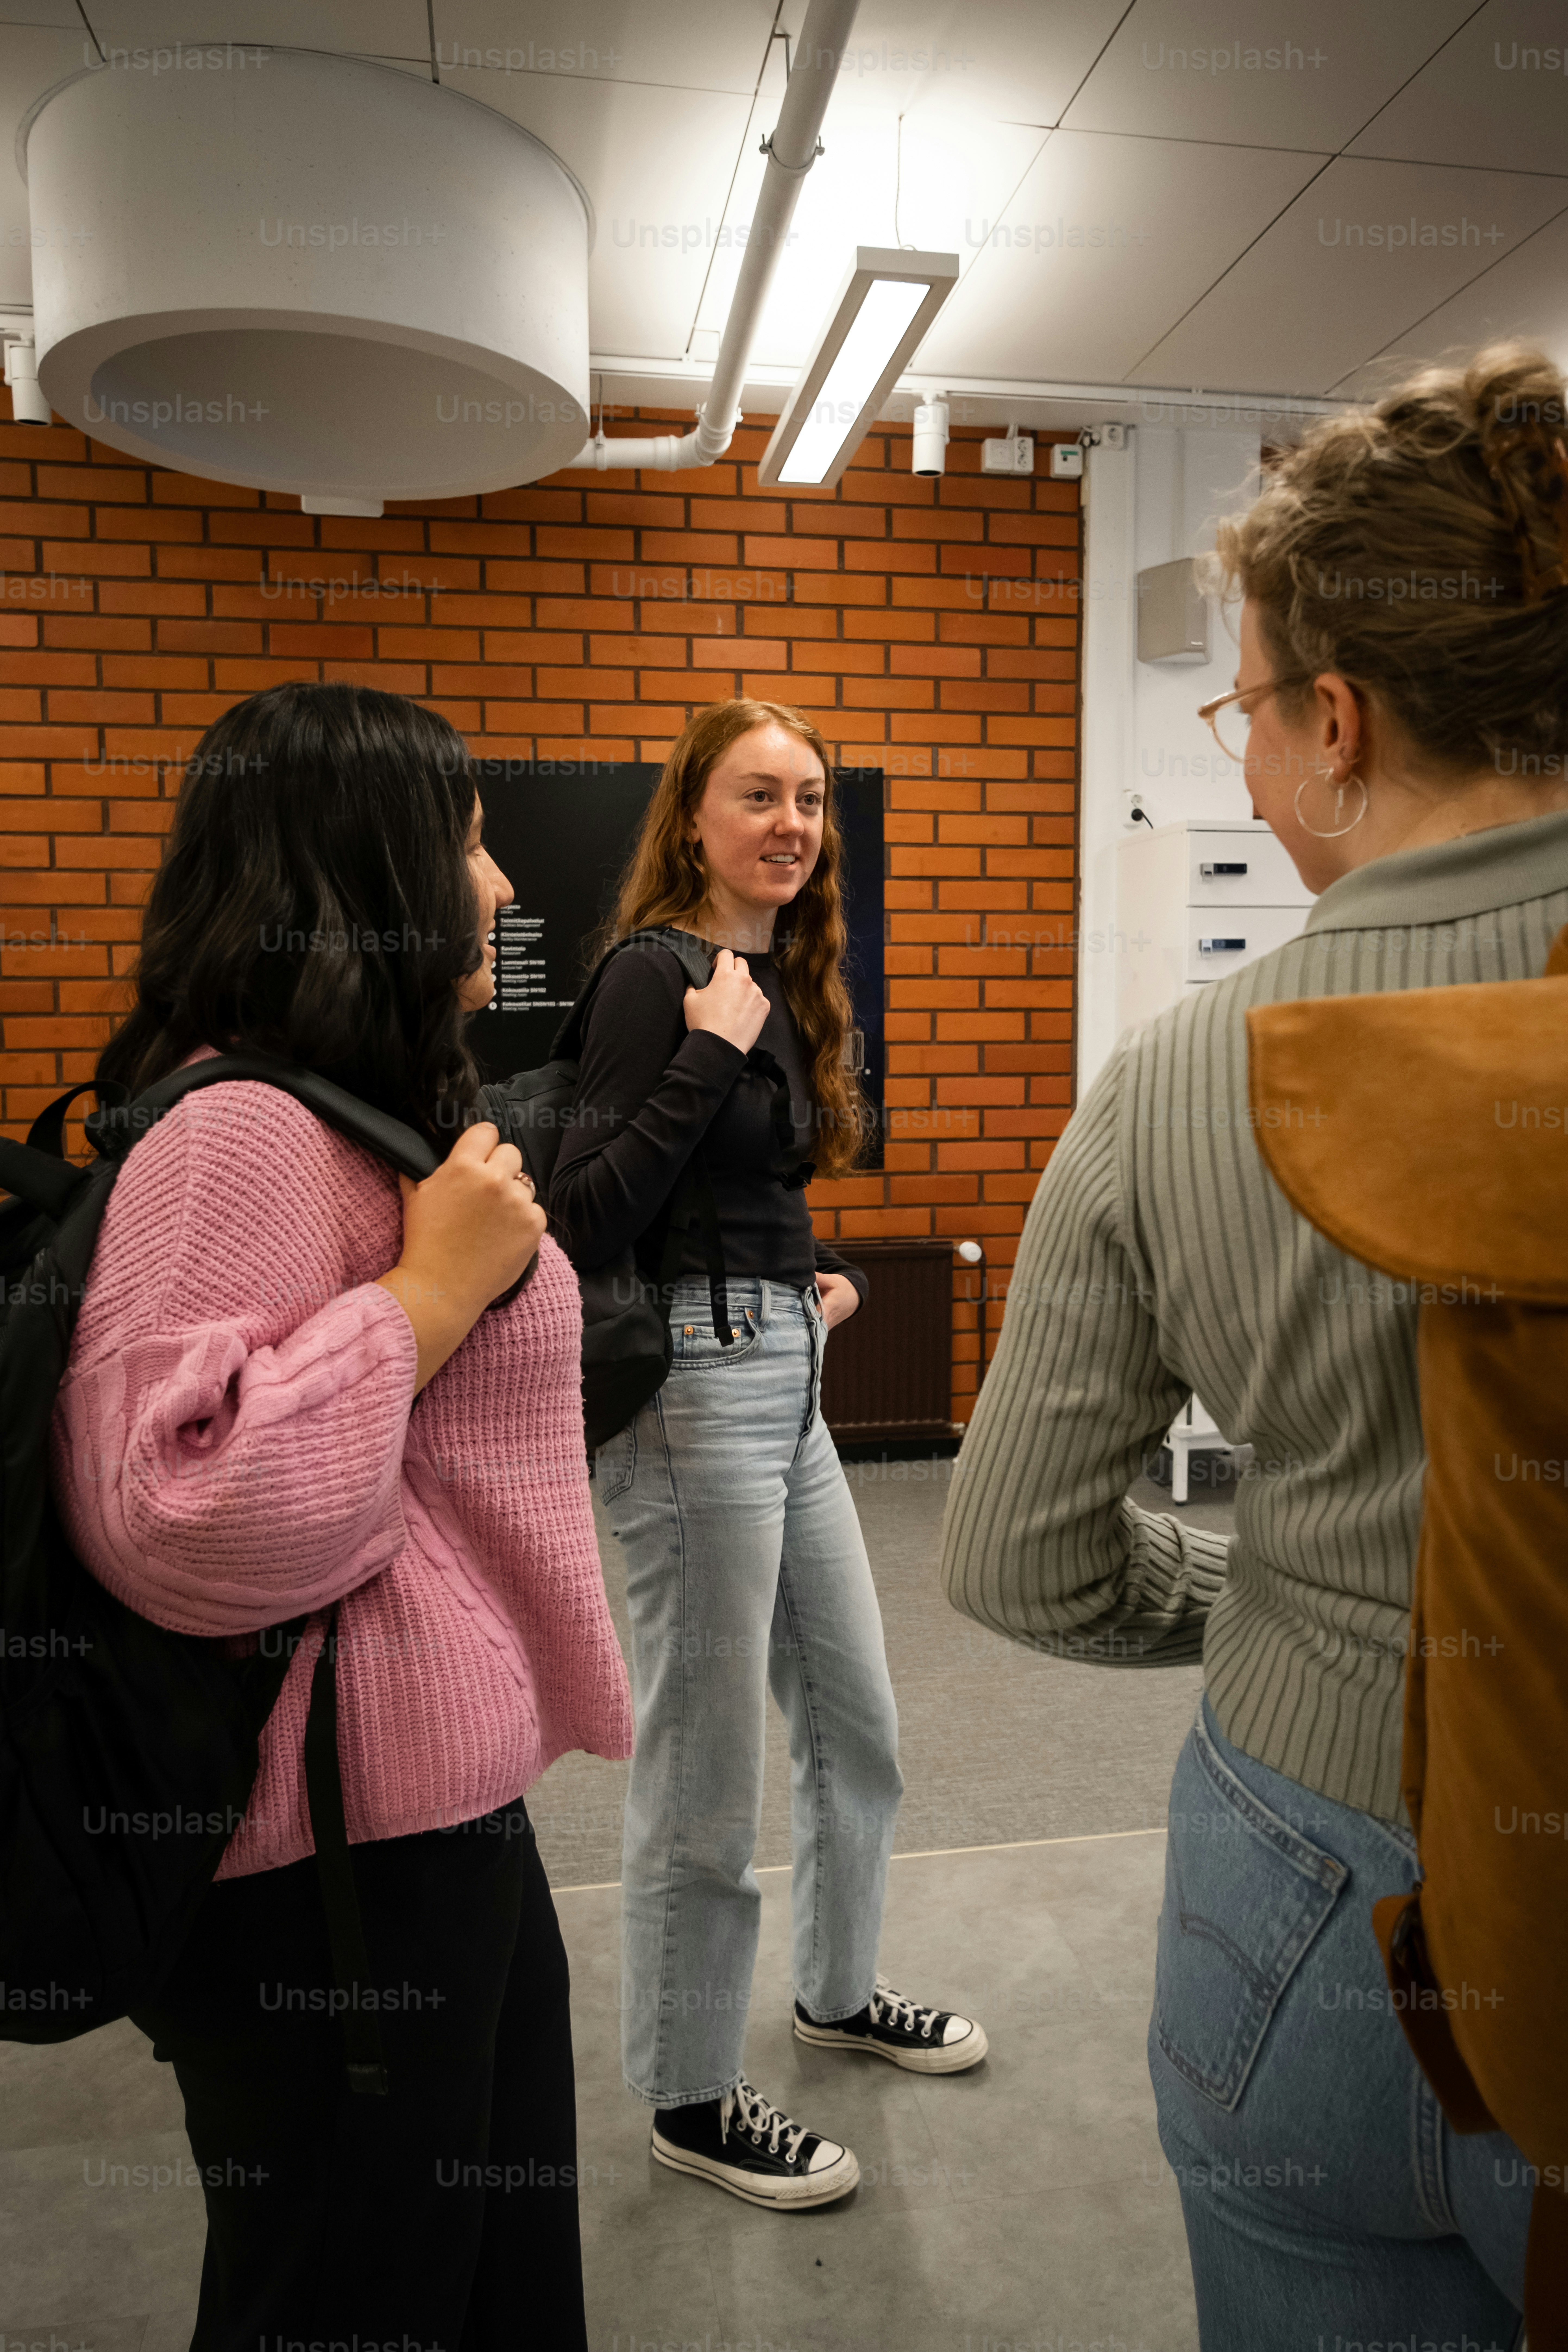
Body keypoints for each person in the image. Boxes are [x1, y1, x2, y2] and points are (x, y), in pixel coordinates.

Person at [939, 343, 1568, 2348]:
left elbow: (1018, 1555)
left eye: (1242, 715)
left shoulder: (1172, 1082)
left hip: (1313, 1867)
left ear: (1338, 717)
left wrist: (1258, 1584)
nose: (1244, 768)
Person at [49, 681, 632, 2350]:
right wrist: (428, 1298)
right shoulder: (237, 1132)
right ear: (361, 869)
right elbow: (179, 1514)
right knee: (354, 2298)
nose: (504, 887)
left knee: (488, 2286)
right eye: (463, 839)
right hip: (326, 1872)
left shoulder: (332, 1114)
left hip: (421, 1825)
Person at [551, 696, 987, 2210]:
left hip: (779, 1370)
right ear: (693, 815)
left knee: (856, 1721)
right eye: (760, 794)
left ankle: (838, 1988)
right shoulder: (651, 976)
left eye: (810, 797)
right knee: (709, 1757)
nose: (793, 822)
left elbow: (745, 1186)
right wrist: (700, 1057)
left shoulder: (777, 975)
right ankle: (687, 2090)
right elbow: (579, 1214)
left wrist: (822, 1271)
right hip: (689, 1398)